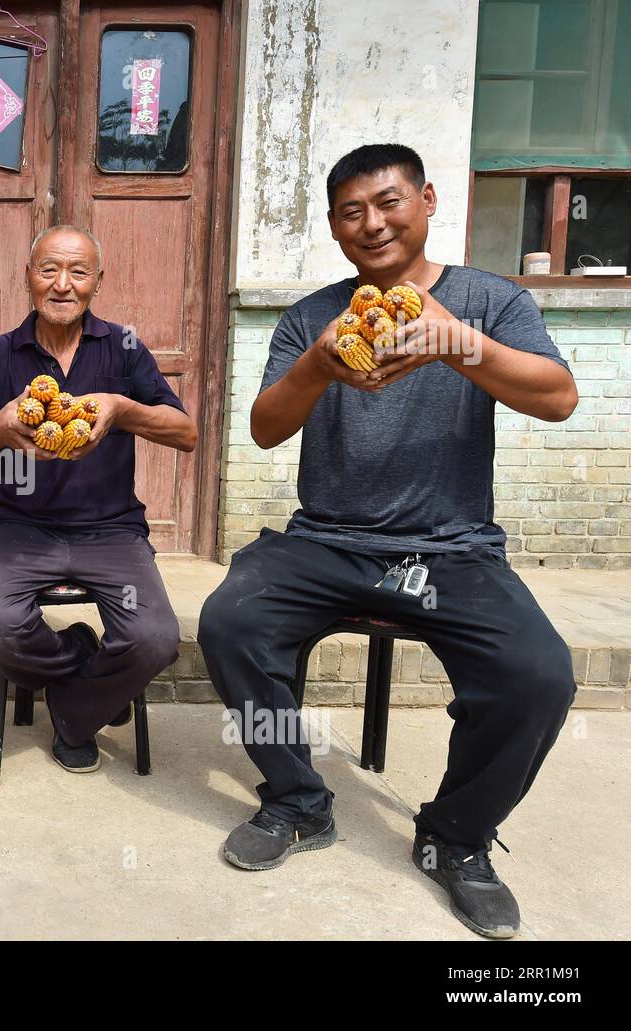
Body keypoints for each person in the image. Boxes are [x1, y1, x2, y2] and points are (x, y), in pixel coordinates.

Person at [199, 144, 579, 938]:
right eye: (350, 211)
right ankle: (298, 800)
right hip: (326, 541)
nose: (371, 223)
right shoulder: (313, 315)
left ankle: (456, 836)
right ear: (335, 226)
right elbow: (267, 428)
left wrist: (455, 343)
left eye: (388, 202)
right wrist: (317, 364)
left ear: (428, 200)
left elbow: (558, 398)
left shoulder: (488, 301)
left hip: (452, 548)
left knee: (538, 674)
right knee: (232, 622)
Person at [0, 225, 196, 773]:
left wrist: (120, 408)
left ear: (97, 282)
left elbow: (186, 433)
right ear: (28, 278)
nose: (62, 285)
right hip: (19, 529)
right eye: (49, 270)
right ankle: (80, 659)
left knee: (154, 639)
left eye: (78, 272)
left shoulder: (125, 348)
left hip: (110, 531)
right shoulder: (0, 355)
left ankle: (72, 707)